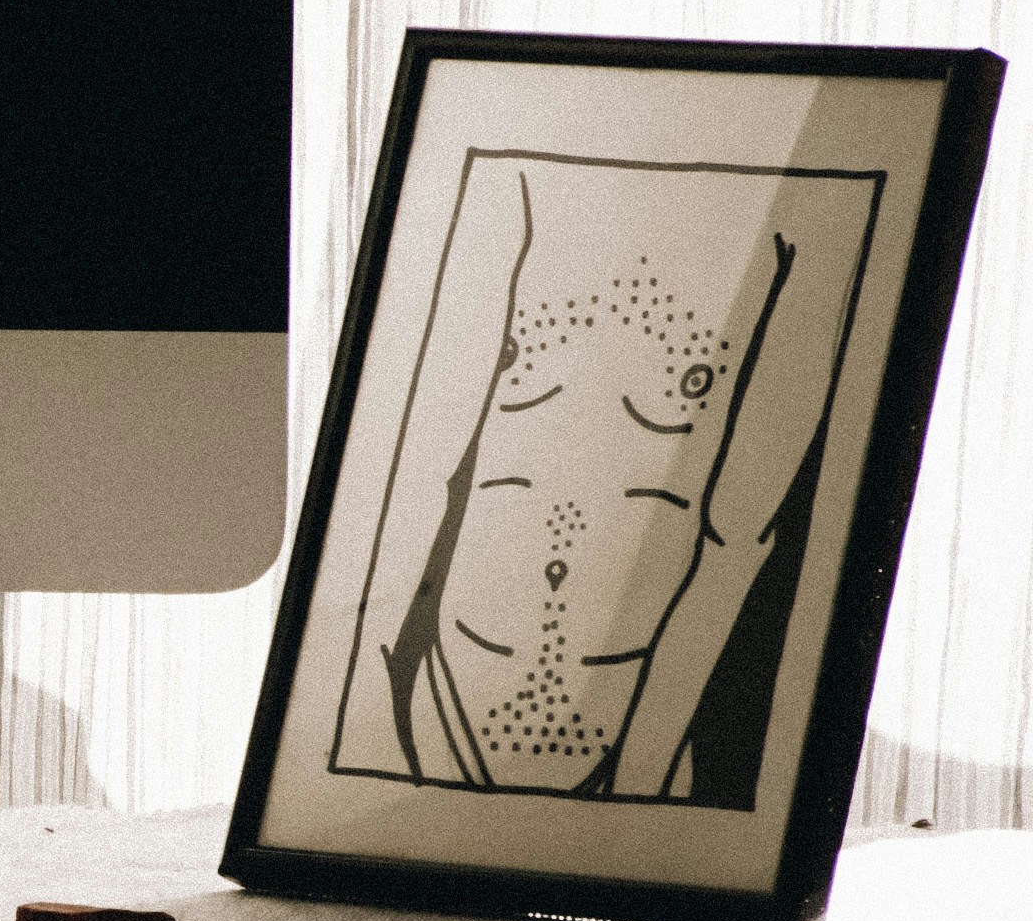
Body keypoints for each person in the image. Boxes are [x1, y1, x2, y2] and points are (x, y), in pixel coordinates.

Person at [333, 148, 877, 807]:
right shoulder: (513, 172)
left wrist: (642, 776)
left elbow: (736, 535)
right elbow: (409, 472)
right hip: (434, 720)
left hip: (631, 740)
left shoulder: (818, 205)